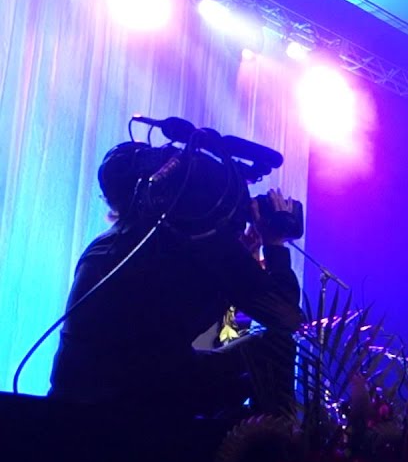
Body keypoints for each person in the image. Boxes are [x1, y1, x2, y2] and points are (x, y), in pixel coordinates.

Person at [49, 142, 302, 417]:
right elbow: (286, 317)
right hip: (147, 405)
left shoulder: (105, 245)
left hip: (71, 408)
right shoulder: (209, 246)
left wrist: (239, 251)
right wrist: (274, 243)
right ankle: (272, 451)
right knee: (274, 346)